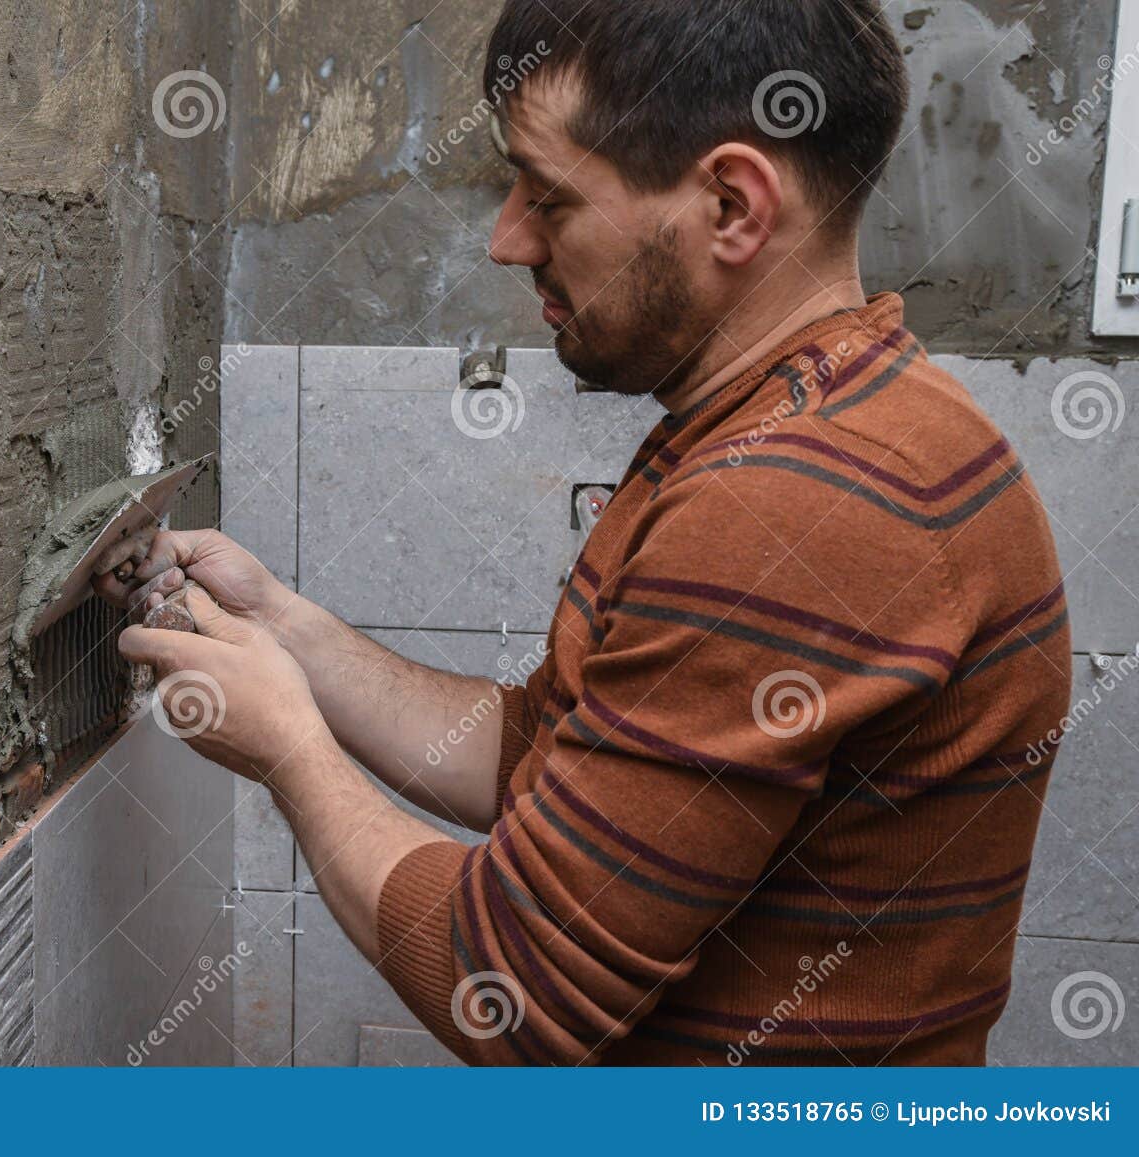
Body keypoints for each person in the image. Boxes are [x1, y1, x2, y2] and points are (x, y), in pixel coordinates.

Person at [95, 0, 1072, 1065]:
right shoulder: (796, 419)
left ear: (732, 206)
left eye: (549, 197)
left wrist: (289, 749)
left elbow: (509, 993)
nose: (507, 238)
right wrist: (290, 634)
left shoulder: (800, 496)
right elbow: (557, 761)